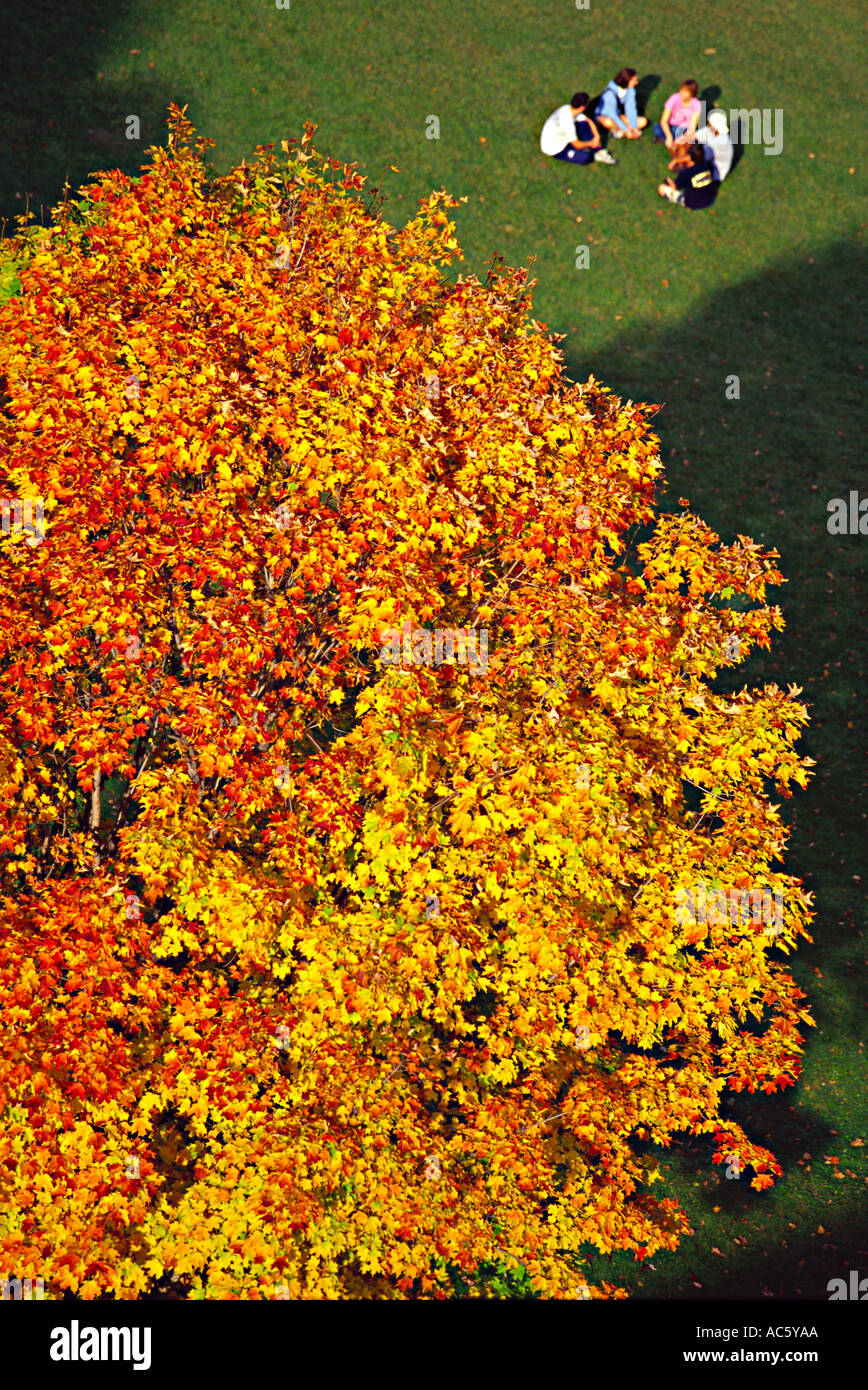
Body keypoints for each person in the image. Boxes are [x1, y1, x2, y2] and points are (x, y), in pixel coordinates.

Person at [539, 92, 617, 164]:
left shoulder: (567, 108)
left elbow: (588, 120)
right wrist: (592, 142)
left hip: (561, 136)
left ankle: (599, 151)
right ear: (583, 107)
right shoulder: (568, 124)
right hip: (556, 149)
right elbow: (577, 145)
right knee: (585, 158)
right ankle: (596, 156)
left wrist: (596, 136)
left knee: (584, 124)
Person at [657, 142, 718, 210]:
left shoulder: (686, 173)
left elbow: (674, 187)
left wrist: (669, 181)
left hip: (693, 203)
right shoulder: (708, 164)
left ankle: (681, 200)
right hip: (709, 198)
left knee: (661, 188)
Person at [593, 68, 648, 140]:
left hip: (618, 115)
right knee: (607, 122)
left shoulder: (630, 90)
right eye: (634, 81)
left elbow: (631, 109)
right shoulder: (610, 93)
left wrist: (634, 127)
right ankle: (622, 131)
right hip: (604, 116)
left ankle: (619, 132)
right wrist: (625, 129)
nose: (636, 83)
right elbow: (612, 114)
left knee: (643, 121)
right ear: (626, 81)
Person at [654, 79, 702, 156]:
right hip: (670, 125)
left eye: (686, 91)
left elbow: (692, 128)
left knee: (690, 136)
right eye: (681, 90)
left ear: (692, 93)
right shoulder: (674, 98)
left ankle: (669, 142)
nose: (682, 93)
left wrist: (681, 139)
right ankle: (672, 141)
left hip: (683, 129)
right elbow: (663, 120)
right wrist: (669, 136)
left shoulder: (696, 105)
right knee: (657, 129)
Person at [695, 108, 734, 181]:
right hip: (707, 161)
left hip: (715, 174)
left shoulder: (721, 143)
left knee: (688, 173)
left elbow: (699, 157)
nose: (708, 124)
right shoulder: (712, 131)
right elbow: (694, 136)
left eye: (709, 123)